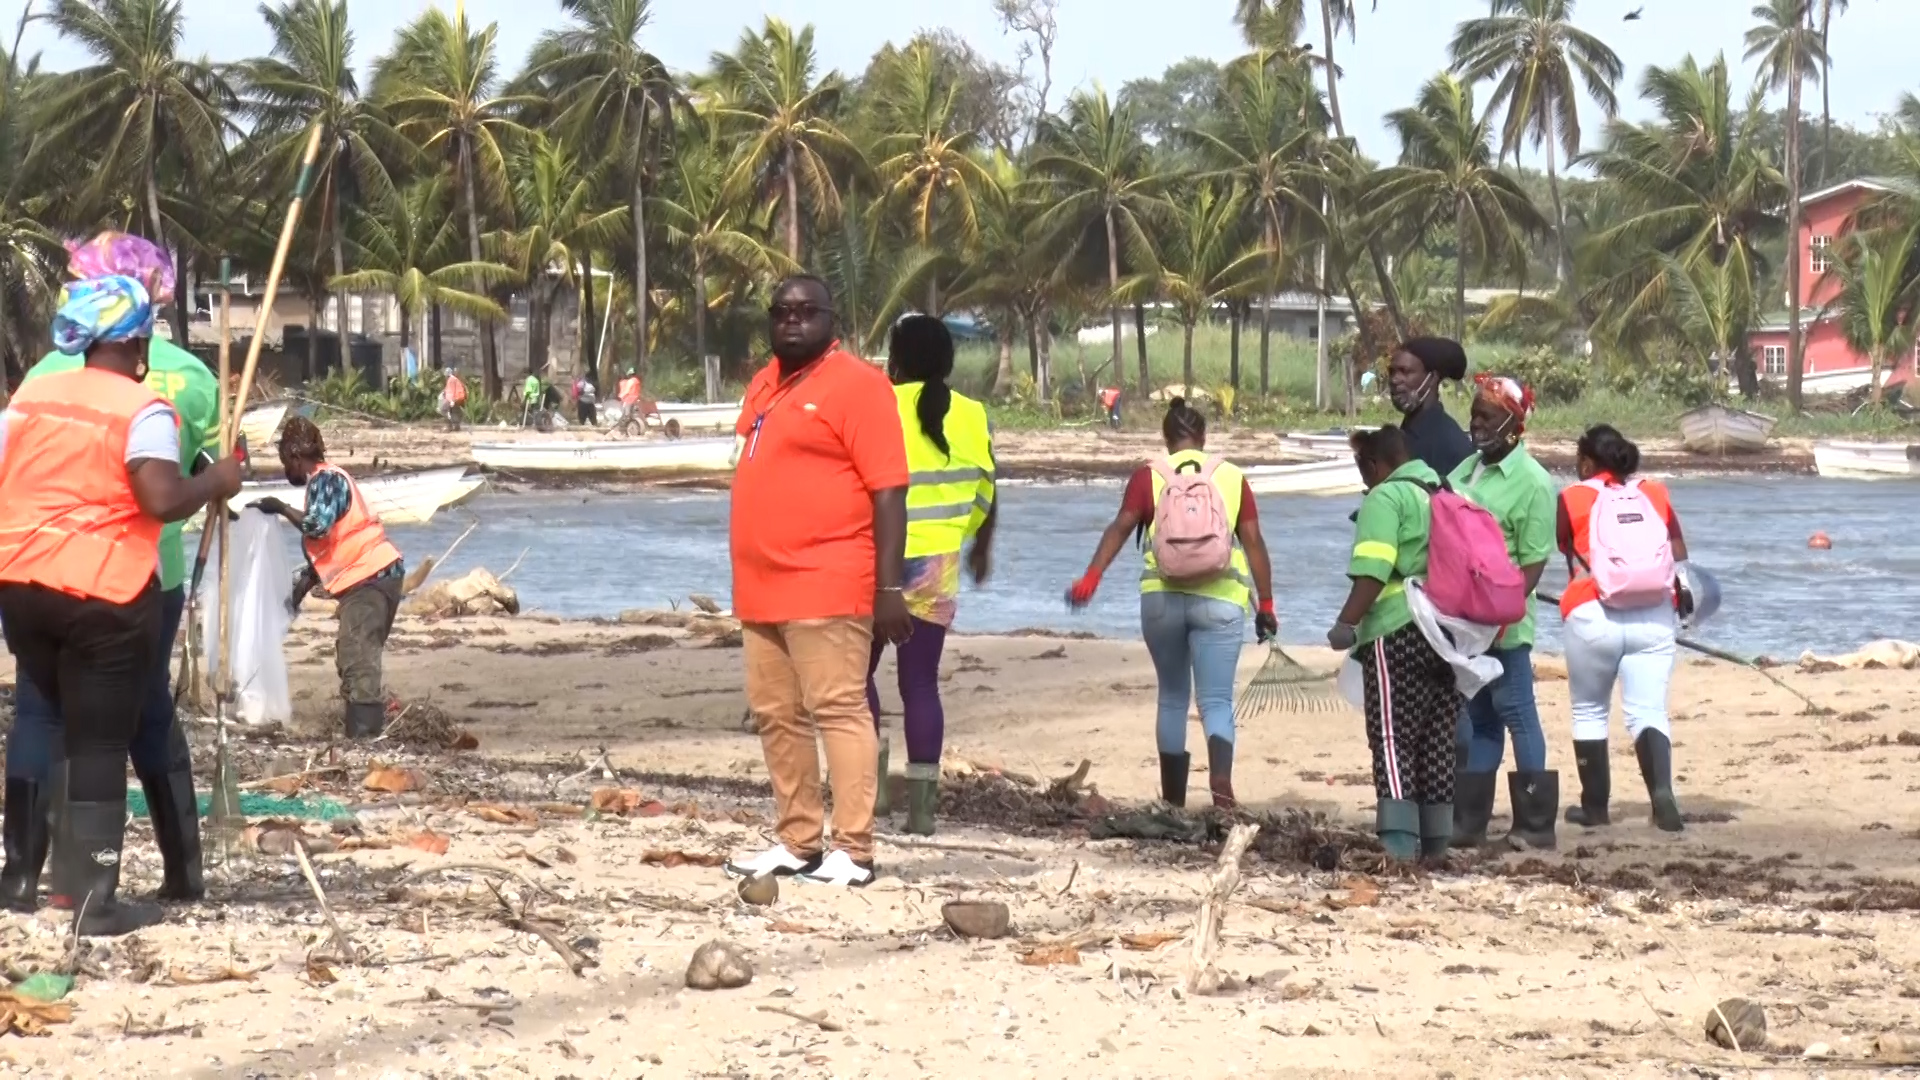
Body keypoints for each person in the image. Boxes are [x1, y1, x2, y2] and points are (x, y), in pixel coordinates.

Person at [0, 275, 242, 934]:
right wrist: (217, 480)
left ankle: (20, 878)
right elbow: (160, 499)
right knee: (101, 740)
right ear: (137, 342)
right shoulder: (143, 408)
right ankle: (94, 898)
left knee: (41, 717)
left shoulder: (31, 396)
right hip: (104, 593)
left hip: (22, 586)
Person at [723, 275, 909, 888]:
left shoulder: (859, 385)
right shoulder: (764, 383)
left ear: (832, 320)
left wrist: (889, 589)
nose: (792, 320)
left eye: (806, 311)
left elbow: (890, 492)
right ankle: (797, 840)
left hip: (829, 576)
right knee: (776, 713)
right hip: (760, 585)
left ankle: (853, 850)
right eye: (781, 311)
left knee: (838, 708)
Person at [1067, 398, 1277, 809]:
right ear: (1203, 437)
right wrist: (1266, 603)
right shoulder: (1231, 476)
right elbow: (1253, 542)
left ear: (1166, 439)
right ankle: (1220, 782)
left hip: (1160, 602)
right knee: (1216, 700)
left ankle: (1174, 801)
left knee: (1173, 697)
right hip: (1220, 601)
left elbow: (1120, 528)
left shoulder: (1148, 476)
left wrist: (1091, 578)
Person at [866, 315, 997, 836]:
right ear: (947, 361)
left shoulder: (877, 404)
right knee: (920, 683)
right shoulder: (973, 413)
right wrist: (977, 544)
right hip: (937, 561)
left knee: (856, 680)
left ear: (895, 361)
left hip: (873, 555)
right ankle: (921, 814)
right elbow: (987, 488)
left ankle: (871, 795)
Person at [1329, 426, 1460, 862]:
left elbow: (1374, 571)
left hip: (1396, 628)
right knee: (1437, 736)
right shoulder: (1444, 490)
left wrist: (1346, 623)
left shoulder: (1385, 498)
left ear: (1373, 464)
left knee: (1392, 736)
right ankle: (1437, 842)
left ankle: (1399, 845)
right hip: (1448, 632)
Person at [1557, 425, 1688, 833]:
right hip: (1653, 615)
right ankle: (1661, 796)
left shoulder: (1572, 497)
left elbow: (1568, 550)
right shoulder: (1655, 493)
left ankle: (1595, 807)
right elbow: (1679, 552)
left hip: (1592, 614)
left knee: (1589, 710)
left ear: (1586, 462)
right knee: (1648, 710)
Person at [1446, 375, 1558, 850]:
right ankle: (1469, 823)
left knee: (1517, 713)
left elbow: (1532, 564)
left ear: (1514, 425)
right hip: (1463, 623)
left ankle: (1535, 825)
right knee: (1481, 719)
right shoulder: (1466, 470)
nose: (1476, 424)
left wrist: (1500, 617)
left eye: (1487, 417)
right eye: (1474, 415)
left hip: (1505, 625)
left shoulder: (1534, 483)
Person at [248, 416, 405, 741]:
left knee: (357, 655)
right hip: (375, 576)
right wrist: (297, 593)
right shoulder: (327, 481)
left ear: (294, 455)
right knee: (355, 653)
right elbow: (328, 550)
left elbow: (316, 526)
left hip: (370, 577)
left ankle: (365, 736)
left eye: (285, 462)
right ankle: (361, 731)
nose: (286, 470)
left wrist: (280, 507)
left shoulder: (326, 480)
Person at [1387, 337, 1473, 476]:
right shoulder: (1407, 431)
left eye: (1405, 371)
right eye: (1392, 372)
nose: (1394, 380)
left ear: (1432, 378)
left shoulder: (1449, 443)